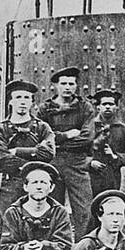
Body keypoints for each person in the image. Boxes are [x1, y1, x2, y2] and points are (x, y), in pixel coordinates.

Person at [36, 66, 96, 238]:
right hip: (51, 164)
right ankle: (53, 243)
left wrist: (56, 141)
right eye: (64, 83)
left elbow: (87, 138)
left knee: (84, 209)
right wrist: (67, 135)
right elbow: (39, 138)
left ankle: (82, 245)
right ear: (56, 86)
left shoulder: (85, 108)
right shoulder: (45, 109)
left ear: (76, 86)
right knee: (51, 206)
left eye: (71, 83)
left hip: (77, 164)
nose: (67, 87)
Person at [0, 79, 56, 212]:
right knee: (10, 225)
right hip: (11, 185)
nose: (22, 101)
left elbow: (48, 154)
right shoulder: (1, 129)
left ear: (32, 102)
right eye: (18, 97)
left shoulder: (42, 127)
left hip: (38, 185)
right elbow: (5, 162)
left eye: (26, 98)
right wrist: (36, 153)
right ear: (10, 102)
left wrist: (17, 151)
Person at [87, 87, 125, 196]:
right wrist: (90, 162)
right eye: (104, 104)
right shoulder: (87, 127)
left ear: (116, 107)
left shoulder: (122, 129)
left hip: (112, 177)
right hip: (90, 176)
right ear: (98, 107)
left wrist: (115, 157)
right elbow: (77, 153)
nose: (107, 107)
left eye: (111, 104)